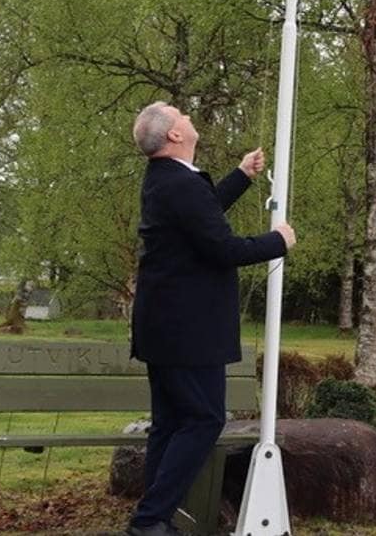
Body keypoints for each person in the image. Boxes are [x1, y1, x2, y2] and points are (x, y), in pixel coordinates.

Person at [127, 102, 297, 536]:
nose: (186, 114)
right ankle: (149, 520)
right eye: (178, 113)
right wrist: (277, 241)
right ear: (174, 136)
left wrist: (241, 176)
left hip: (165, 328)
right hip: (187, 333)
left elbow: (202, 217)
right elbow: (222, 248)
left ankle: (152, 520)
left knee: (169, 423)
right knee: (203, 421)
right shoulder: (177, 184)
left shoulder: (171, 181)